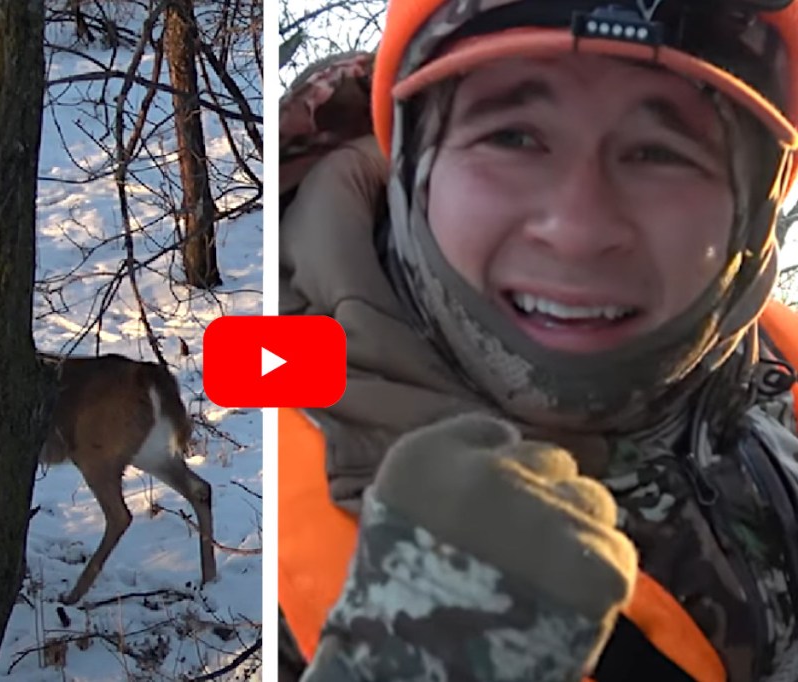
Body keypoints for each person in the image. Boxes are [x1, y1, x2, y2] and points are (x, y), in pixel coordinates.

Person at [278, 1, 798, 681]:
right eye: (514, 138)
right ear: (414, 168)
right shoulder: (278, 511)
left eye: (658, 152)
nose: (577, 228)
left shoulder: (776, 360)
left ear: (755, 211)